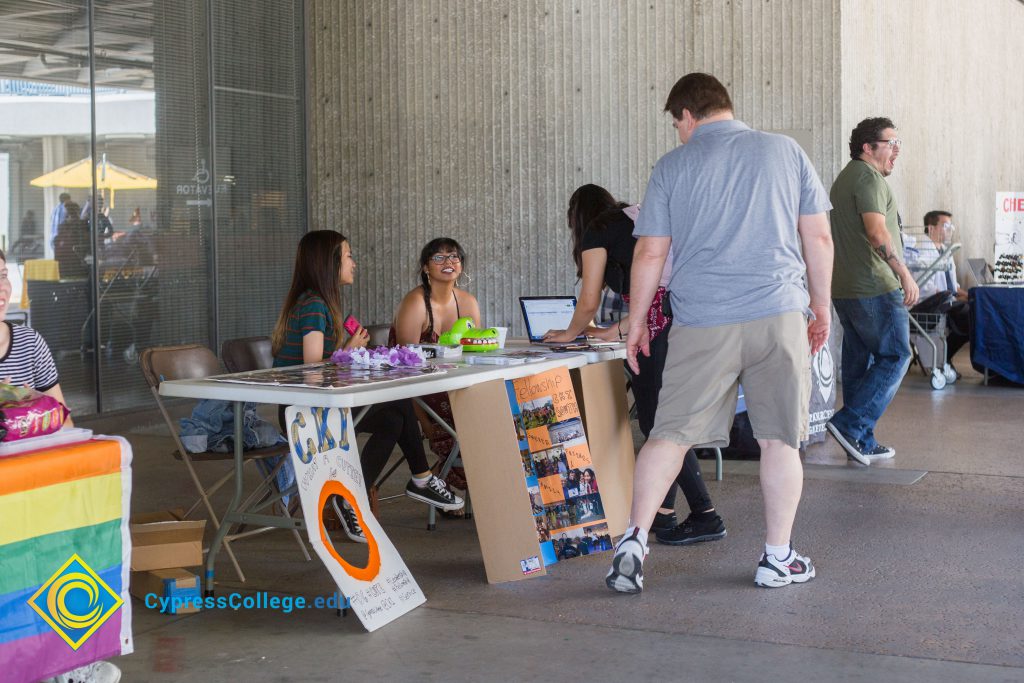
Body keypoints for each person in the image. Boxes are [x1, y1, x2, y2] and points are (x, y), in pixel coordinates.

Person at [604, 73, 833, 593]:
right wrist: (820, 308)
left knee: (668, 433)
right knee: (780, 441)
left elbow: (650, 251)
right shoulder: (785, 151)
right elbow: (817, 235)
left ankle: (634, 541)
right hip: (777, 311)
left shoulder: (672, 166)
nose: (677, 133)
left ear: (687, 115)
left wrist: (636, 322)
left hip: (701, 319)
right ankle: (777, 557)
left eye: (676, 124)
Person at [546, 183, 727, 546]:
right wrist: (613, 330)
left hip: (662, 327)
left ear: (576, 216)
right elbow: (658, 292)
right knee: (664, 416)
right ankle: (664, 512)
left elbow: (589, 299)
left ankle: (706, 514)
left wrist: (570, 333)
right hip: (688, 318)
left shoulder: (597, 230)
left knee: (659, 423)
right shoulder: (632, 221)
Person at [272, 230, 464, 541]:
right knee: (397, 402)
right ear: (329, 263)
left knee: (392, 417)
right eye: (348, 256)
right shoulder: (313, 307)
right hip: (304, 410)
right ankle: (420, 477)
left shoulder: (319, 303)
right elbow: (309, 372)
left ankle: (354, 497)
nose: (354, 263)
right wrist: (347, 351)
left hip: (324, 403)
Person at [826, 118, 918, 465]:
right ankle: (852, 424)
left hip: (847, 288)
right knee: (896, 355)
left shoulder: (847, 177)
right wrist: (905, 274)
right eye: (890, 143)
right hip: (874, 286)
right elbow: (878, 233)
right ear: (868, 146)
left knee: (858, 362)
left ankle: (860, 439)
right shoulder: (868, 178)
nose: (896, 150)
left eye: (898, 143)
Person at [390, 237, 481, 492]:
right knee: (467, 424)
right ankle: (441, 481)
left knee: (495, 414)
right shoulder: (415, 303)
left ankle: (456, 480)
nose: (448, 262)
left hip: (457, 385)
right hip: (421, 392)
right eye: (438, 257)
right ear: (425, 267)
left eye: (454, 257)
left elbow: (475, 354)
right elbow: (403, 370)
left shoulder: (468, 303)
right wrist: (424, 423)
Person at [0, 249, 73, 426]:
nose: (1, 286)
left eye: (3, 275)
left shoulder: (30, 343)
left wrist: (38, 412)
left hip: (32, 453)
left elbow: (66, 423)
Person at [907, 210, 970, 370]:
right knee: (969, 316)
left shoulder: (946, 252)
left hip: (945, 301)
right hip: (927, 306)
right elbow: (926, 289)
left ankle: (945, 359)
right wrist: (956, 299)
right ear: (931, 228)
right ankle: (944, 360)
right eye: (945, 225)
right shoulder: (922, 252)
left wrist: (969, 295)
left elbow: (953, 286)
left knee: (976, 312)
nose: (949, 229)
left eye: (951, 226)